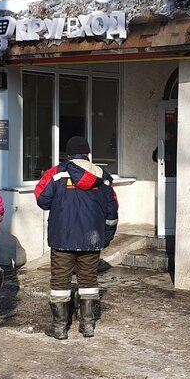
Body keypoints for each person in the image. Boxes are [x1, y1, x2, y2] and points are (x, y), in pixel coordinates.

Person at [35, 136, 119, 339]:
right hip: (92, 238)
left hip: (62, 238)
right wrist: (105, 238)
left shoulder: (56, 174)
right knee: (89, 281)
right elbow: (112, 211)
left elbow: (42, 200)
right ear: (88, 154)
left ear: (68, 154)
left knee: (60, 283)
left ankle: (59, 328)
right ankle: (88, 325)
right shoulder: (103, 176)